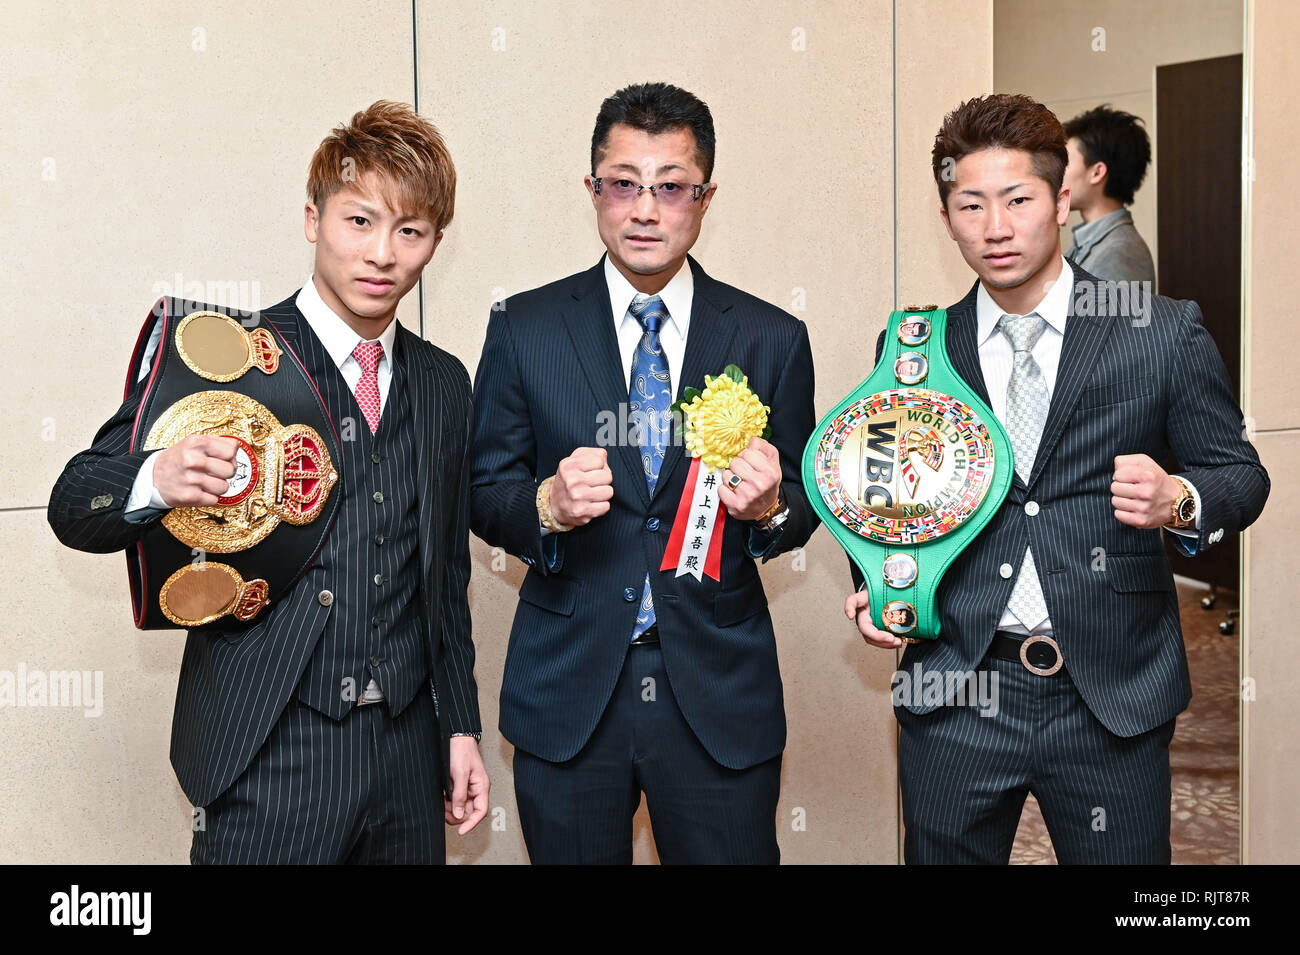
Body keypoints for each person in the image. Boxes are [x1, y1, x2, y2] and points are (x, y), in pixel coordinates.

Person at [47, 100, 489, 863]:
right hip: (270, 750)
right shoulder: (230, 357)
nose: (382, 253)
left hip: (407, 757)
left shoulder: (446, 383)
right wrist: (157, 475)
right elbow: (73, 502)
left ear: (434, 245)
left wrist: (460, 726)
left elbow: (444, 578)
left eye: (409, 231)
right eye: (359, 221)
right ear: (312, 218)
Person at [844, 93, 1268, 864]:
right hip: (958, 688)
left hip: (1110, 692)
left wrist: (1179, 496)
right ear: (947, 217)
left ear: (1062, 199)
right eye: (970, 204)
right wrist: (880, 587)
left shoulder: (1159, 329)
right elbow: (884, 493)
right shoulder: (916, 346)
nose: (995, 227)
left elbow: (1240, 475)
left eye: (1017, 200)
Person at [470, 82, 817, 864]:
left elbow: (806, 502)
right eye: (622, 184)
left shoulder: (771, 336)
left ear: (706, 195)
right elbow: (485, 490)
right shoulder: (525, 326)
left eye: (671, 187)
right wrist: (547, 506)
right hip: (570, 687)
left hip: (718, 691)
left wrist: (767, 511)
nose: (645, 210)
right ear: (593, 189)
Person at [1062, 104, 1156, 284]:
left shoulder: (1122, 253)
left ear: (1096, 173)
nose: (1056, 171)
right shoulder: (1090, 244)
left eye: (1065, 162)